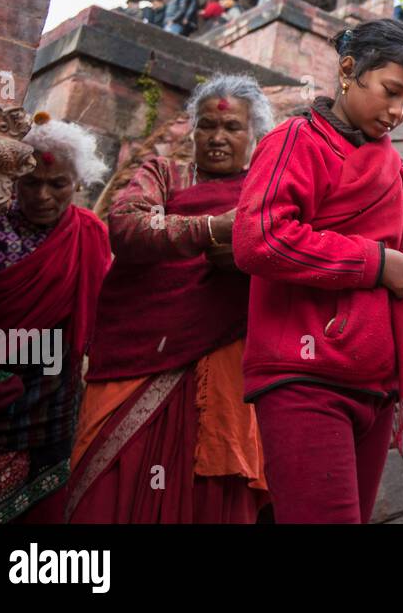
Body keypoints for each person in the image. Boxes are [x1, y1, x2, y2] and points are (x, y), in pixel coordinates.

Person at [231, 20, 403, 522]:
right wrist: (374, 263)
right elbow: (260, 240)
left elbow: (400, 264)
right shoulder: (297, 140)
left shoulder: (389, 165)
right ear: (349, 71)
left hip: (374, 382)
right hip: (305, 374)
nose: (397, 113)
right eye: (390, 92)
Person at [67, 76, 276, 523]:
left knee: (207, 490)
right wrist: (213, 228)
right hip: (135, 353)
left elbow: (288, 251)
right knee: (104, 494)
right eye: (206, 125)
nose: (217, 137)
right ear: (192, 131)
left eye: (232, 127)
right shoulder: (163, 173)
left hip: (222, 358)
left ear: (253, 134)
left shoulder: (266, 191)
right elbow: (125, 228)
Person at [0, 116, 111, 523]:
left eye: (57, 184)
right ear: (15, 181)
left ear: (77, 183)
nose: (43, 195)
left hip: (49, 395)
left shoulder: (89, 235)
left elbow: (97, 319)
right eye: (31, 182)